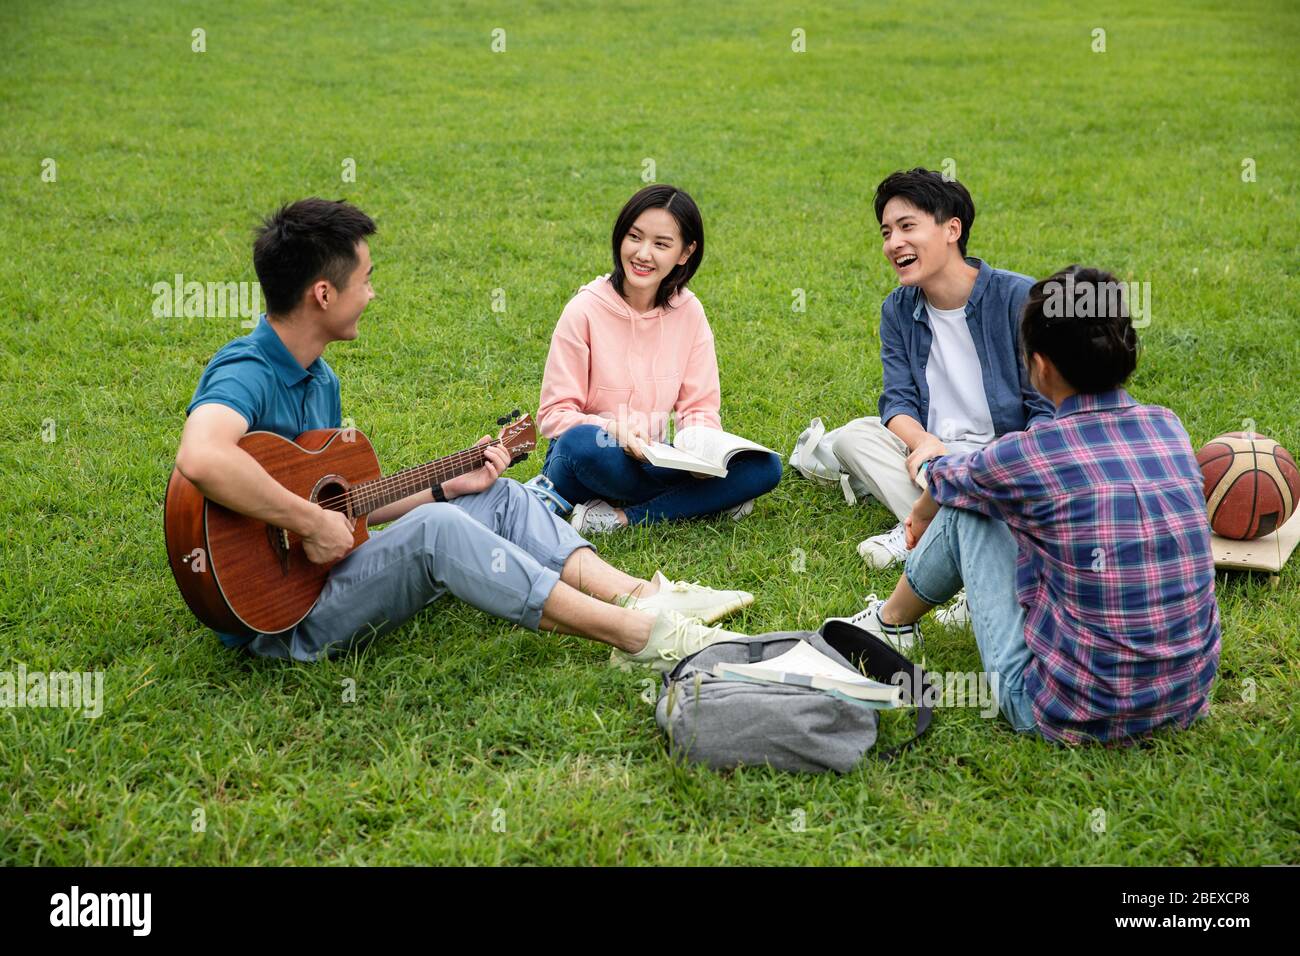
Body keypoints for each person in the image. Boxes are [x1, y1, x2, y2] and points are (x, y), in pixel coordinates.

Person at [173, 198, 755, 672]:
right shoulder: (245, 368)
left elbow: (348, 507)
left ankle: (641, 594)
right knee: (436, 533)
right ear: (323, 294)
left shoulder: (317, 376)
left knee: (497, 495)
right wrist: (308, 522)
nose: (372, 294)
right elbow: (202, 457)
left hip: (322, 577)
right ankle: (636, 635)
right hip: (281, 620)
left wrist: (448, 486)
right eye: (366, 280)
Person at [837, 266, 1221, 745]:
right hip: (1186, 698)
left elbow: (947, 479)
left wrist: (919, 512)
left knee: (967, 505)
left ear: (1038, 366)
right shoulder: (1169, 427)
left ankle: (891, 622)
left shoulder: (1030, 452)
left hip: (1060, 711)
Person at [832, 169, 1053, 631]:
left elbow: (1045, 413)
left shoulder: (1019, 298)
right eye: (887, 232)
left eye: (907, 227)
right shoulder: (898, 309)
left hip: (999, 456)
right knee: (853, 438)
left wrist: (991, 461)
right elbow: (896, 402)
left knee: (998, 468)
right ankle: (950, 527)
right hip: (931, 457)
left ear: (952, 229)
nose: (894, 243)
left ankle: (932, 534)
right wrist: (924, 443)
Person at [537, 184, 783, 536]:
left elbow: (699, 408)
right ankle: (706, 500)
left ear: (685, 252)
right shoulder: (584, 310)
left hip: (654, 457)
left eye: (661, 244)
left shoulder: (689, 312)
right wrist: (612, 429)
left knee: (764, 467)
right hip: (594, 453)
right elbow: (553, 416)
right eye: (634, 237)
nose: (642, 253)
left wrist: (702, 454)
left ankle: (622, 518)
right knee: (584, 445)